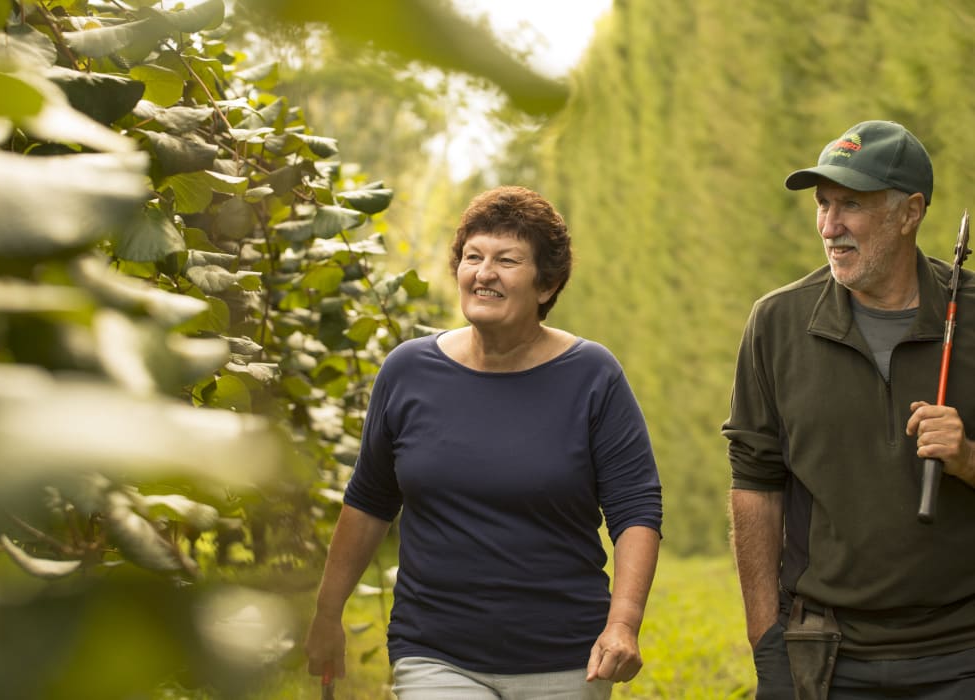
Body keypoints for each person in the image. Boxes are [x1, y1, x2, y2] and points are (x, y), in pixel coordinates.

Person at [305, 185, 662, 699]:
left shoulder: (593, 376)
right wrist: (326, 613)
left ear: (547, 284)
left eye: (507, 260)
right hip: (434, 650)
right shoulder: (408, 371)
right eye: (473, 256)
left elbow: (636, 510)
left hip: (564, 656)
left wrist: (623, 624)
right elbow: (369, 502)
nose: (484, 273)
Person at [724, 119, 975, 699]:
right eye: (823, 205)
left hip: (964, 651)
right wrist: (767, 642)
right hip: (828, 656)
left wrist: (966, 458)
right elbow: (754, 484)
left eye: (851, 206)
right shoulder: (777, 322)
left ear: (911, 212)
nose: (830, 227)